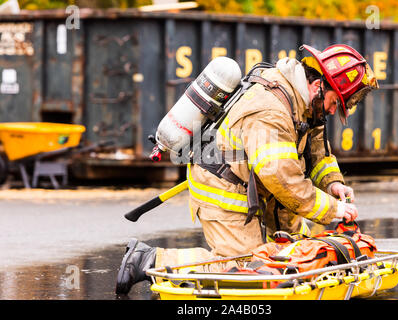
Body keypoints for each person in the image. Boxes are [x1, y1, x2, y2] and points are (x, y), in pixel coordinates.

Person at [115, 43, 379, 295]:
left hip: (263, 186)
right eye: (336, 102)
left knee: (293, 256)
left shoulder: (308, 105)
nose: (334, 111)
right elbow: (283, 180)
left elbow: (317, 151)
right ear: (319, 85)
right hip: (225, 186)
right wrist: (335, 209)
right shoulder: (270, 111)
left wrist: (333, 183)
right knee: (246, 270)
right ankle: (150, 259)